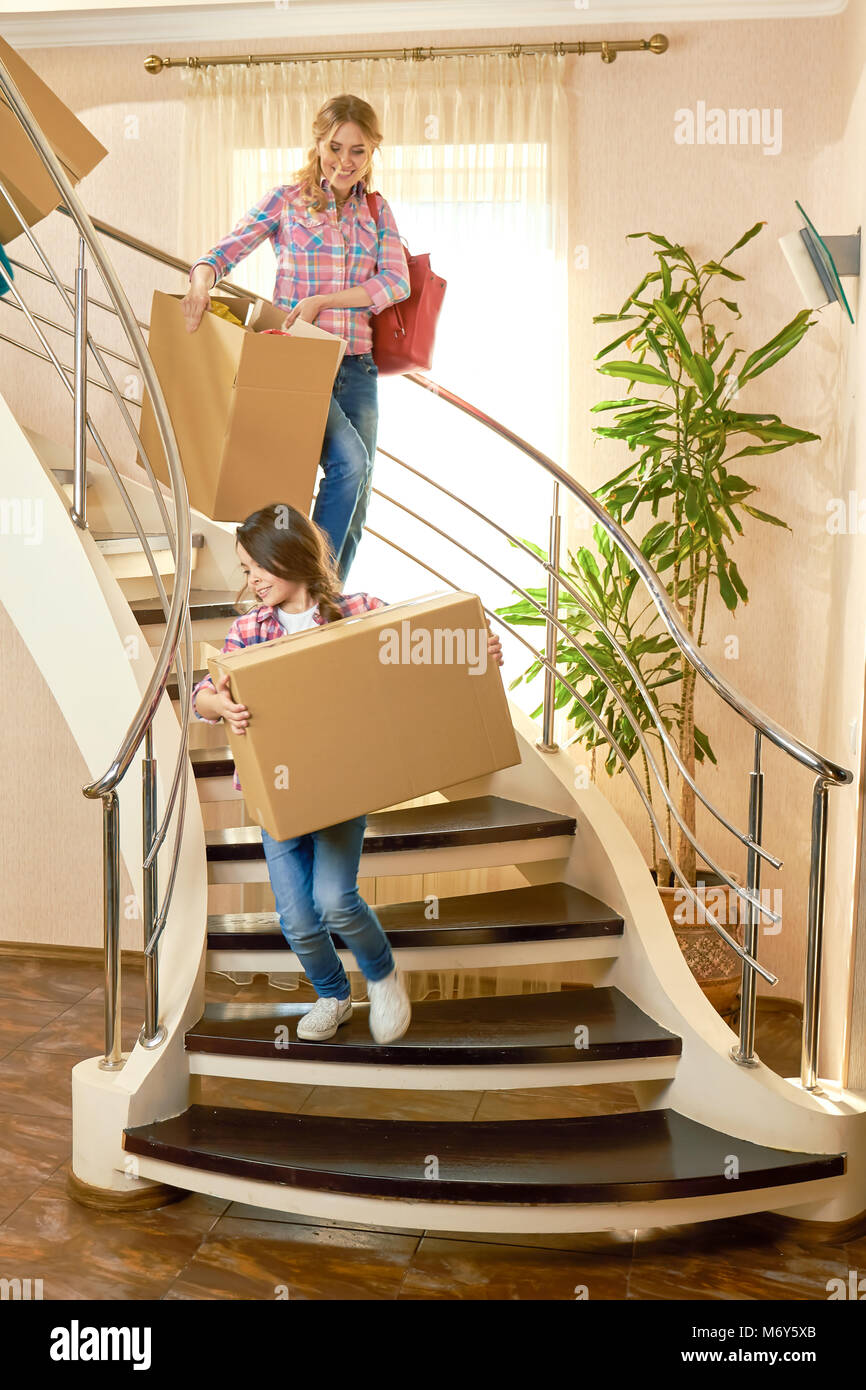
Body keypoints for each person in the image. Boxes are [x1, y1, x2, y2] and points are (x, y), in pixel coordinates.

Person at [190, 504, 504, 1044]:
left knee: (336, 899)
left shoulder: (355, 610)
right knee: (297, 918)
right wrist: (220, 705)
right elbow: (203, 693)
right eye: (245, 572)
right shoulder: (249, 628)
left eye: (255, 567)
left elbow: (417, 648)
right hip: (278, 797)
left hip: (339, 790)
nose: (251, 580)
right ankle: (333, 994)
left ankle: (382, 977)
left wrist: (476, 650)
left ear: (285, 554)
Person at [181, 94, 410, 582]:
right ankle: (310, 587)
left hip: (356, 366)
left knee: (358, 491)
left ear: (372, 153)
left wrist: (327, 302)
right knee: (349, 463)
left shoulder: (376, 210)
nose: (345, 161)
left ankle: (326, 605)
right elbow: (222, 252)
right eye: (336, 147)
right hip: (298, 361)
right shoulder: (286, 200)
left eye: (358, 151)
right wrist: (201, 281)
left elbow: (396, 282)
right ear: (318, 142)